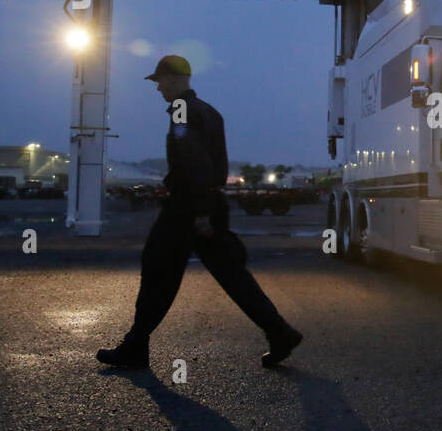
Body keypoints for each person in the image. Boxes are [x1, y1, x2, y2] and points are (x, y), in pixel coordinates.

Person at [98, 55, 303, 370]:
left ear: (175, 79)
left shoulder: (182, 110)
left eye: (160, 81)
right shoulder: (209, 111)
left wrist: (200, 213)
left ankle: (135, 347)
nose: (158, 89)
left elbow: (195, 162)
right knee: (231, 275)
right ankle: (280, 332)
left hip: (187, 207)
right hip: (205, 203)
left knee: (157, 272)